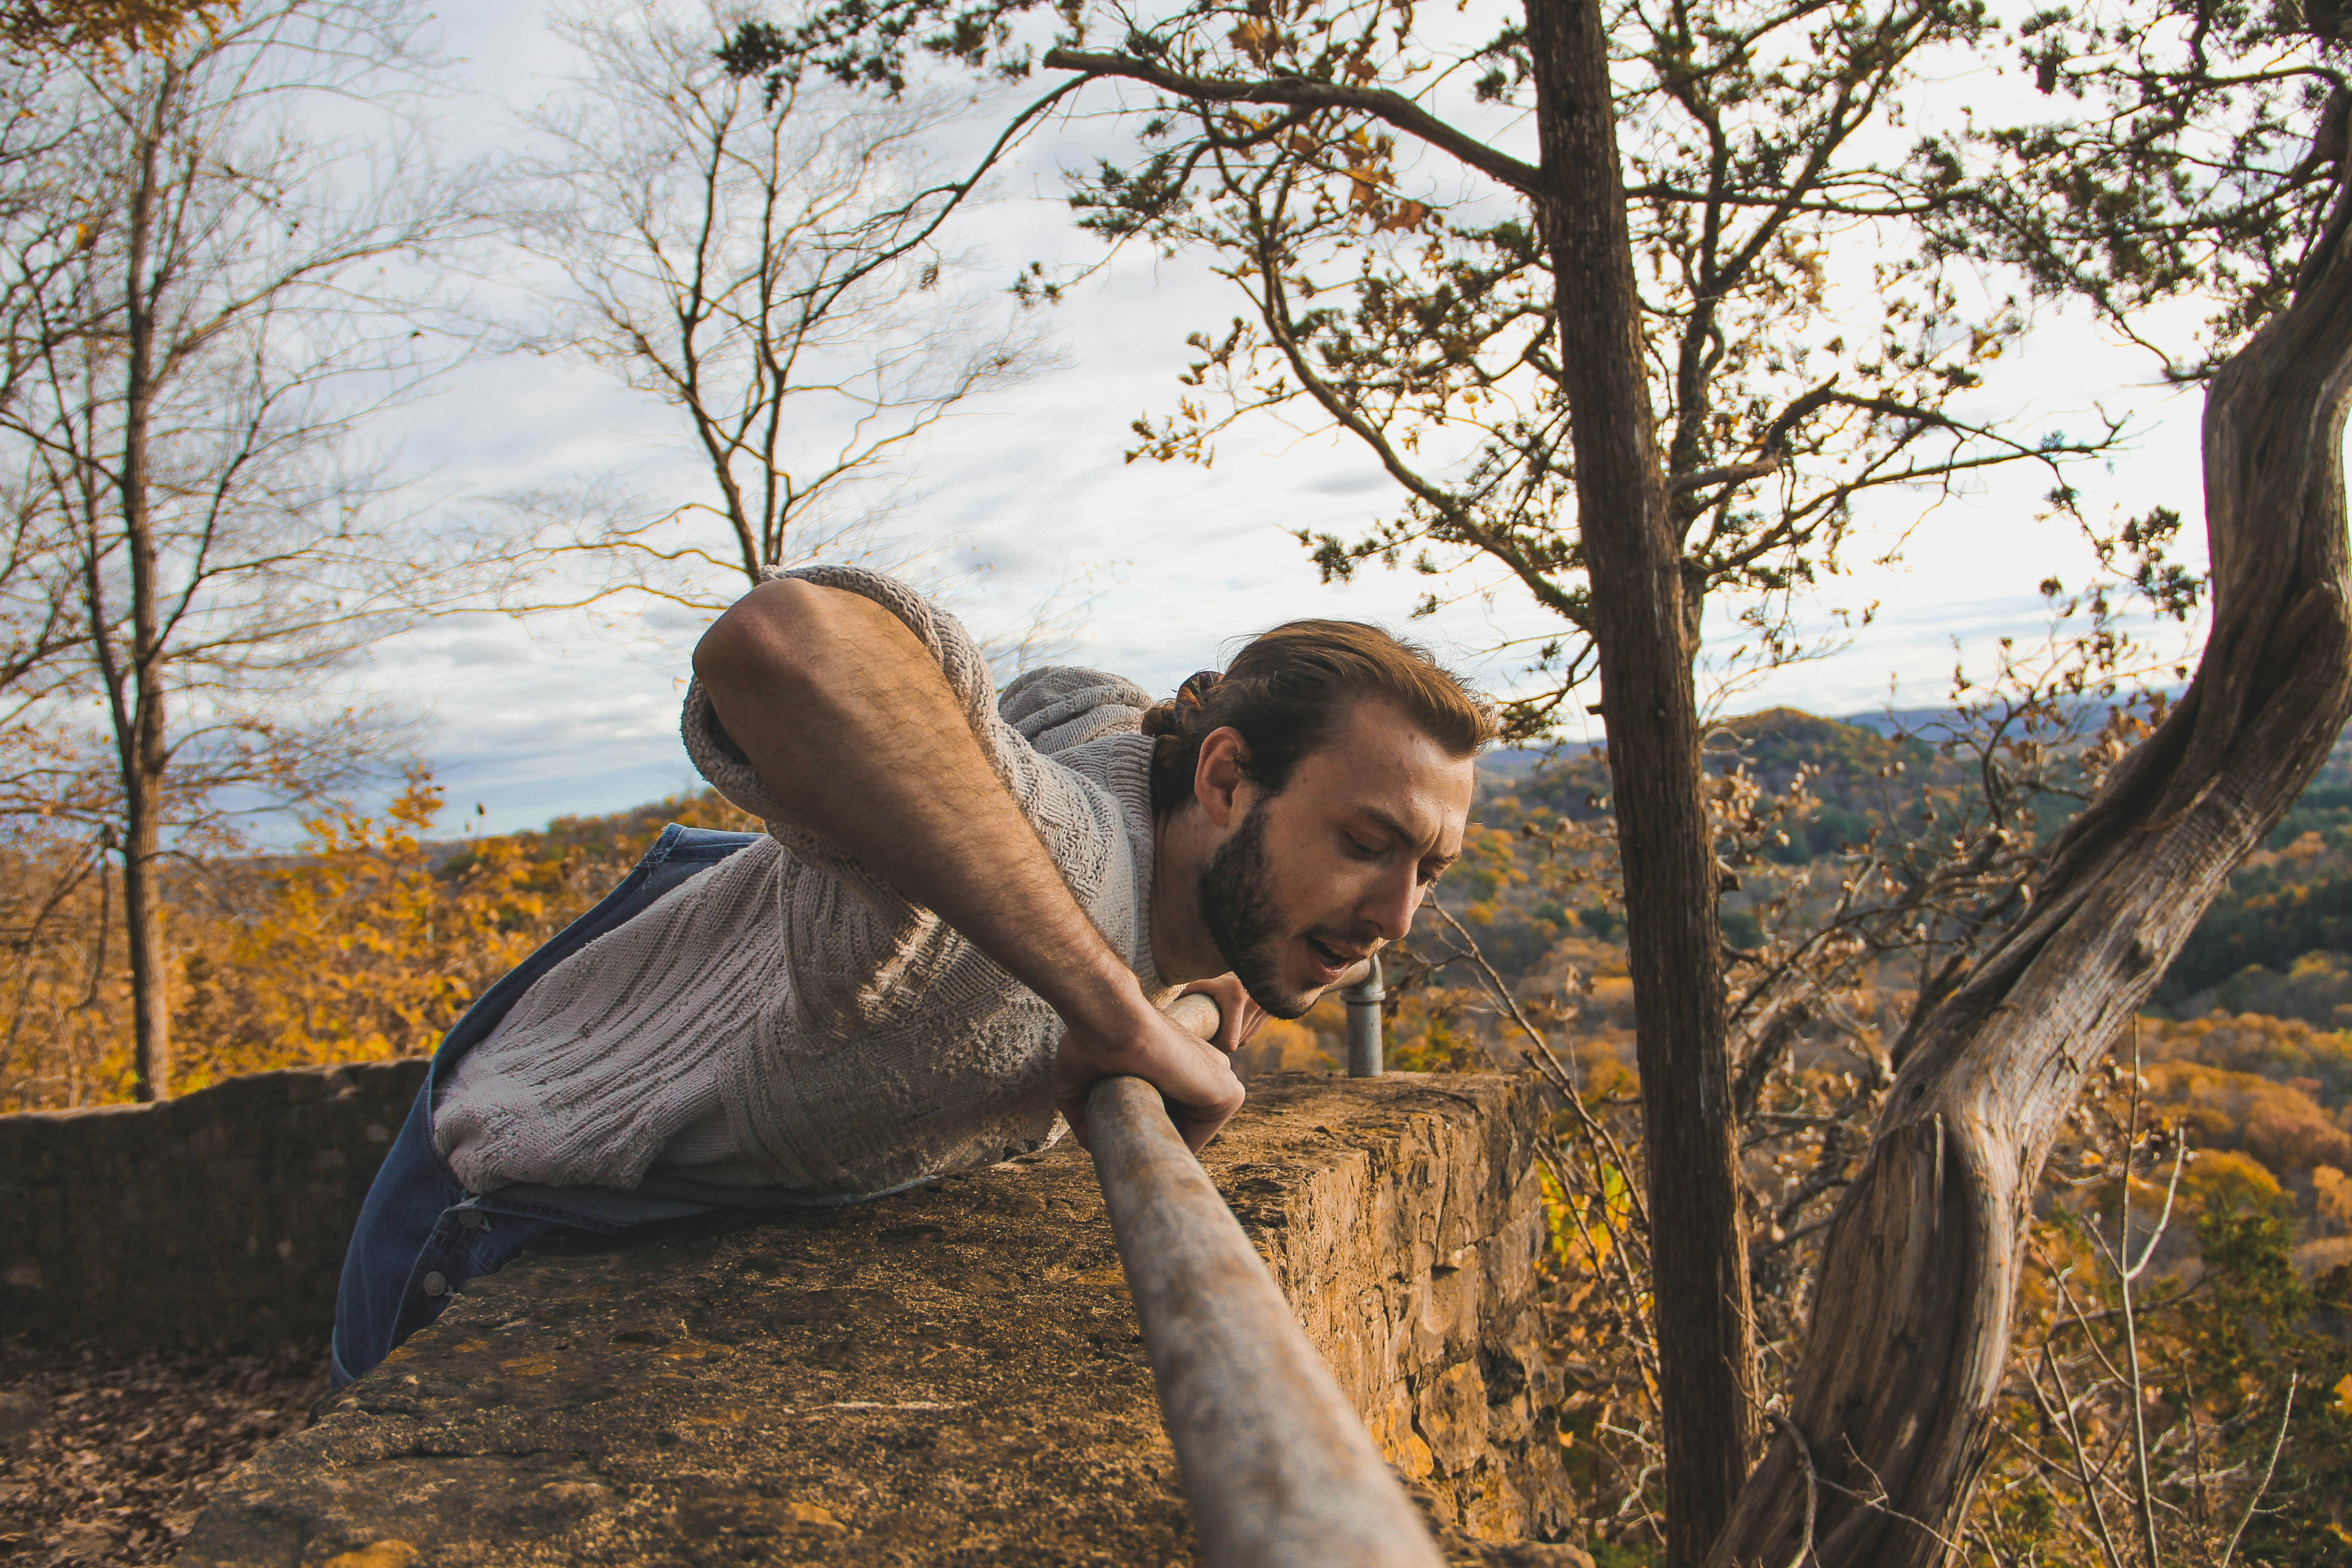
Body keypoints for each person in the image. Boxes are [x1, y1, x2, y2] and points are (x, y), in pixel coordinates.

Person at [329, 566, 1494, 1386]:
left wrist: (1204, 963)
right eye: (1363, 843)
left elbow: (1070, 702)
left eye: (1428, 870)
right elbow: (780, 640)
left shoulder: (1135, 782)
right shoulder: (1068, 865)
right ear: (1228, 781)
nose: (1395, 914)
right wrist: (1114, 1008)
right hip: (504, 1206)